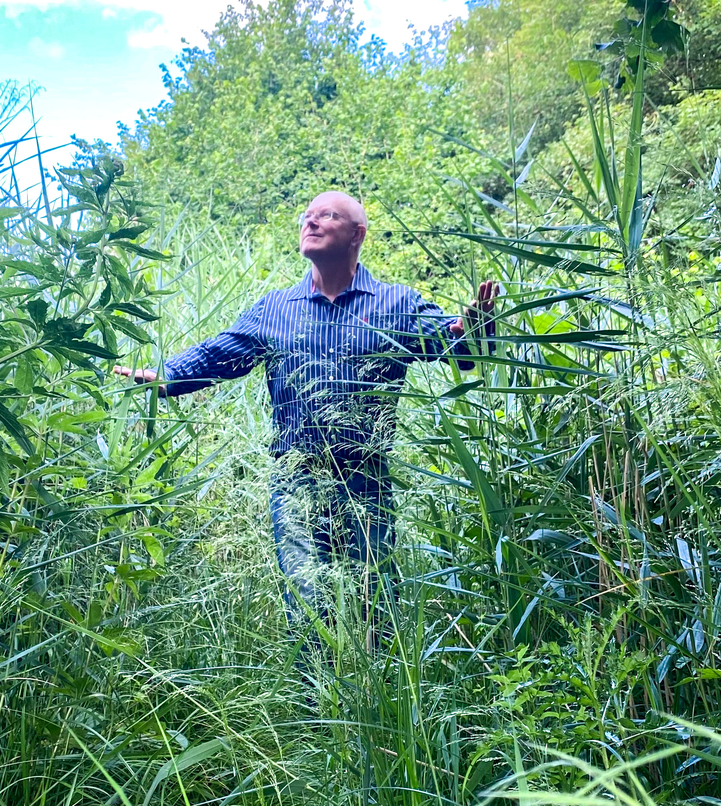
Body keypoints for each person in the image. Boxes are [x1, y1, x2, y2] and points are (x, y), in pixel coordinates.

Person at [114, 190, 494, 647]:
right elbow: (221, 354)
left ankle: (384, 703)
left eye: (326, 216)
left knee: (376, 601)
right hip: (295, 476)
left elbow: (458, 349)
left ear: (358, 234)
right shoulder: (275, 309)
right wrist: (167, 375)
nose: (310, 223)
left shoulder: (396, 303)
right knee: (307, 607)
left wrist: (474, 328)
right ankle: (316, 711)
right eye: (306, 217)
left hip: (365, 476)